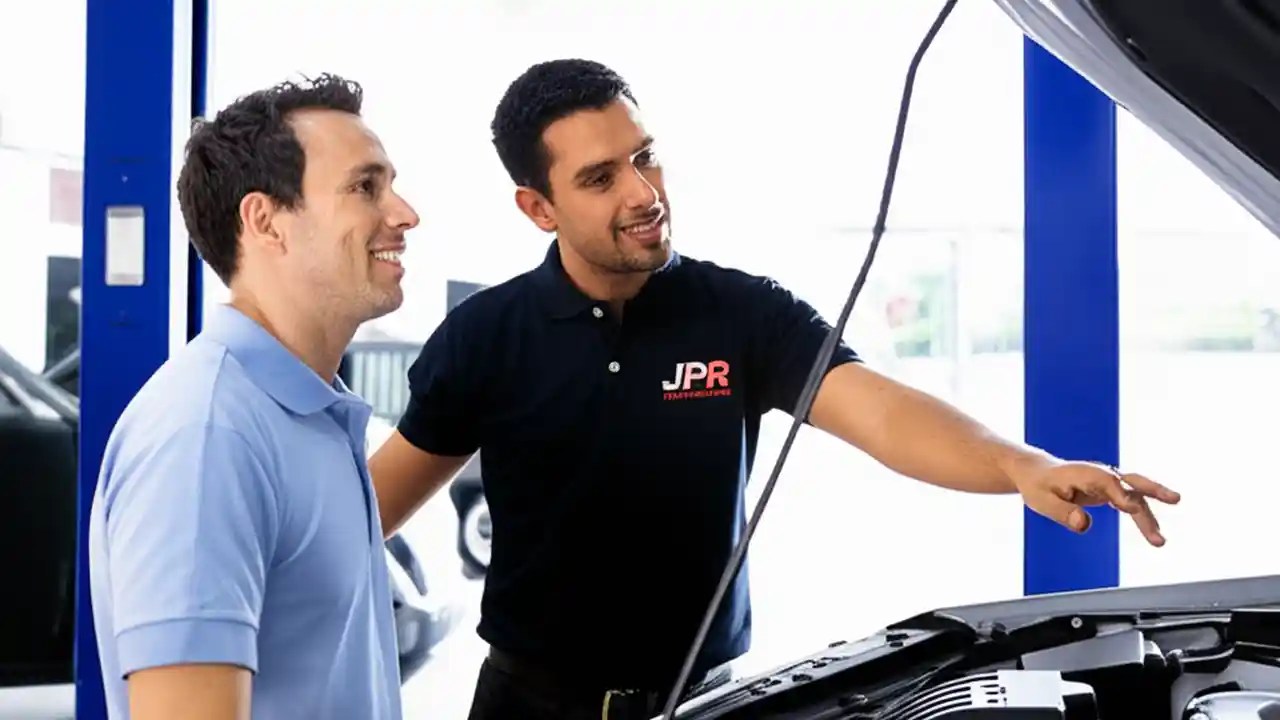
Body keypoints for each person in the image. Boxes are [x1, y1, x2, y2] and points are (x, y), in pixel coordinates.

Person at [367, 59, 1181, 720]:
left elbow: (881, 412)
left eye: (645, 155)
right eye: (601, 177)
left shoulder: (740, 313)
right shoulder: (485, 338)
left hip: (710, 702)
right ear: (538, 208)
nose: (644, 193)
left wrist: (1020, 465)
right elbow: (367, 513)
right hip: (528, 708)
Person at [87, 73, 418, 720]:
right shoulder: (207, 435)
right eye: (364, 187)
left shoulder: (315, 415)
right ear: (265, 221)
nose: (404, 213)